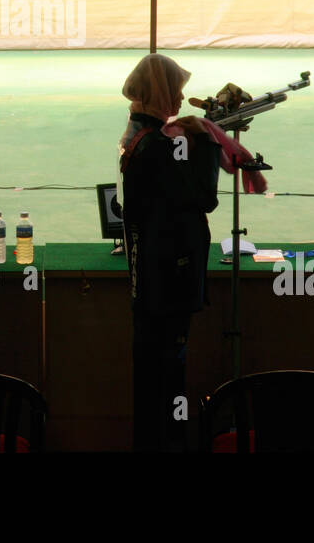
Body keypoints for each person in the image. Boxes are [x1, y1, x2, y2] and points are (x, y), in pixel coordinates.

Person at [118, 53, 224, 452]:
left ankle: (157, 439)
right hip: (169, 285)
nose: (180, 99)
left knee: (152, 380)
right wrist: (210, 140)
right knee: (171, 379)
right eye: (174, 91)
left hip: (151, 283)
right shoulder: (161, 146)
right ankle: (171, 441)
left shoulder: (140, 135)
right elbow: (204, 198)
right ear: (158, 92)